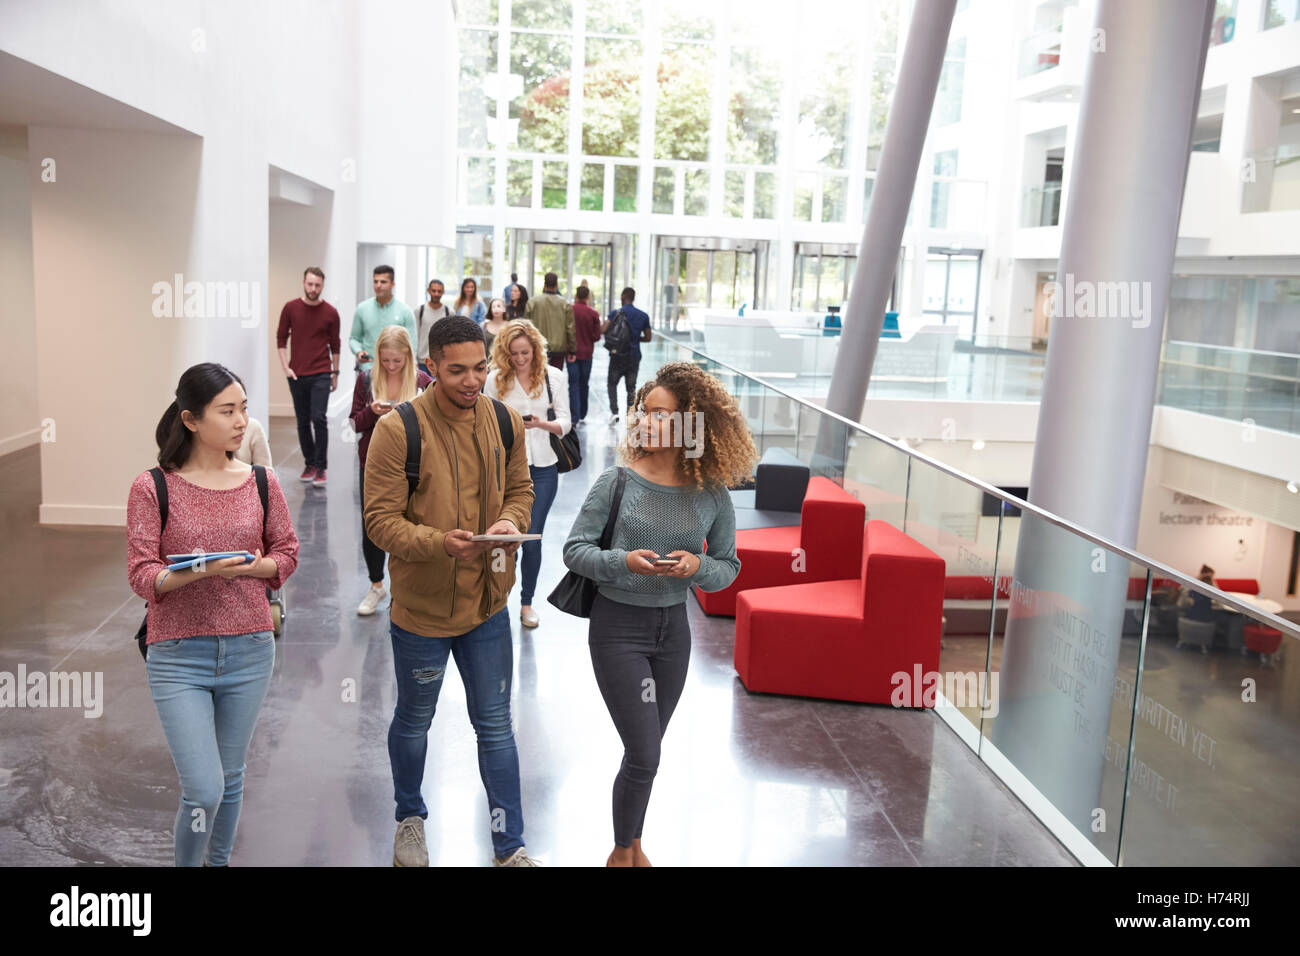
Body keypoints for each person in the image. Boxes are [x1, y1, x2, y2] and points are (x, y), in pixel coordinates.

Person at [562, 361, 756, 867]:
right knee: (646, 753)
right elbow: (575, 550)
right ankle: (620, 853)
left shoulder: (712, 493)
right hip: (618, 629)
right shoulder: (616, 481)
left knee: (645, 752)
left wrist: (697, 567)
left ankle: (634, 844)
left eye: (661, 415)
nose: (646, 422)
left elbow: (729, 568)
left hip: (673, 633)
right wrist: (622, 561)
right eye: (644, 413)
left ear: (692, 424)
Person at [363, 315, 539, 867]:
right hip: (421, 612)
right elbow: (379, 522)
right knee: (415, 721)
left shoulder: (506, 422)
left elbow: (521, 489)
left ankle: (510, 848)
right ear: (431, 368)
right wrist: (441, 543)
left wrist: (511, 521)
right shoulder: (398, 430)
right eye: (457, 370)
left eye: (480, 367)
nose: (471, 380)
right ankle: (409, 820)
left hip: (488, 605)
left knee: (495, 726)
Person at [126, 363, 300, 867]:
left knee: (230, 776)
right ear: (192, 419)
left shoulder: (262, 482)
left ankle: (217, 862)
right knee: (203, 788)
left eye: (244, 408)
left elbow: (286, 554)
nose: (242, 420)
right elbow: (143, 575)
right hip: (178, 652)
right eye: (228, 411)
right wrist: (202, 572)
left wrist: (248, 568)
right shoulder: (152, 487)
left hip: (250, 646)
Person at [483, 320, 571, 630]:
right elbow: (485, 421)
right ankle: (496, 602)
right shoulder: (494, 380)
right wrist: (511, 427)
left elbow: (566, 423)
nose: (520, 359)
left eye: (525, 352)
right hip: (504, 467)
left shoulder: (554, 377)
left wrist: (541, 424)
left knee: (531, 539)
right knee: (502, 537)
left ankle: (526, 602)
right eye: (514, 353)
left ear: (535, 349)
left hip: (544, 467)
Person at [350, 326, 433, 617]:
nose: (391, 366)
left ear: (408, 357)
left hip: (415, 462)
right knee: (372, 524)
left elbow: (437, 421)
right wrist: (372, 411)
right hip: (373, 463)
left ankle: (404, 586)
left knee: (411, 522)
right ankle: (376, 584)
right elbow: (355, 424)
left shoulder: (423, 381)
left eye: (397, 361)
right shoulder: (365, 379)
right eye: (386, 361)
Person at [277, 266, 340, 487]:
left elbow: (335, 345)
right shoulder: (290, 308)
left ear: (322, 286)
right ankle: (309, 463)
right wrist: (286, 367)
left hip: (322, 371)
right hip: (297, 374)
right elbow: (281, 338)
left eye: (317, 285)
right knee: (303, 421)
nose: (313, 288)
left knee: (319, 418)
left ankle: (321, 467)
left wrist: (335, 373)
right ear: (304, 283)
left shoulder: (331, 312)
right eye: (310, 284)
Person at [349, 264, 417, 378]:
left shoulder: (405, 311)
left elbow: (412, 345)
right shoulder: (362, 309)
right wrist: (358, 351)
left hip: (396, 372)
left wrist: (412, 368)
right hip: (368, 370)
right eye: (375, 282)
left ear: (392, 284)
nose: (378, 285)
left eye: (383, 282)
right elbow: (354, 339)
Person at [604, 286, 652, 422]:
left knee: (612, 383)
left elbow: (604, 329)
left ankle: (614, 412)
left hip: (617, 356)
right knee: (631, 387)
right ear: (633, 298)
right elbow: (648, 337)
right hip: (633, 356)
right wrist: (636, 339)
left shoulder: (615, 313)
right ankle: (629, 414)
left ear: (623, 297)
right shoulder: (643, 316)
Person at [524, 271, 576, 370]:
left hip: (537, 346)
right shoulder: (565, 304)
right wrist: (572, 350)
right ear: (556, 285)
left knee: (537, 377)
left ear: (544, 284)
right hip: (558, 349)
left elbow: (526, 326)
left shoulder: (532, 302)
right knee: (555, 380)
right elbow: (570, 329)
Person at [570, 285, 601, 424]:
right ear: (588, 297)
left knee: (573, 383)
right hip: (587, 353)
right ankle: (583, 413)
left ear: (576, 296)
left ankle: (574, 415)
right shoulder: (593, 313)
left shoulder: (570, 310)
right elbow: (597, 336)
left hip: (572, 352)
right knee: (584, 383)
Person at [415, 278, 451, 377]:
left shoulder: (449, 312)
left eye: (439, 291)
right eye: (433, 290)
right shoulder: (420, 311)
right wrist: (414, 360)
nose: (436, 294)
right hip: (421, 361)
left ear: (443, 292)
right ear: (428, 291)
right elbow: (414, 336)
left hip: (441, 361)